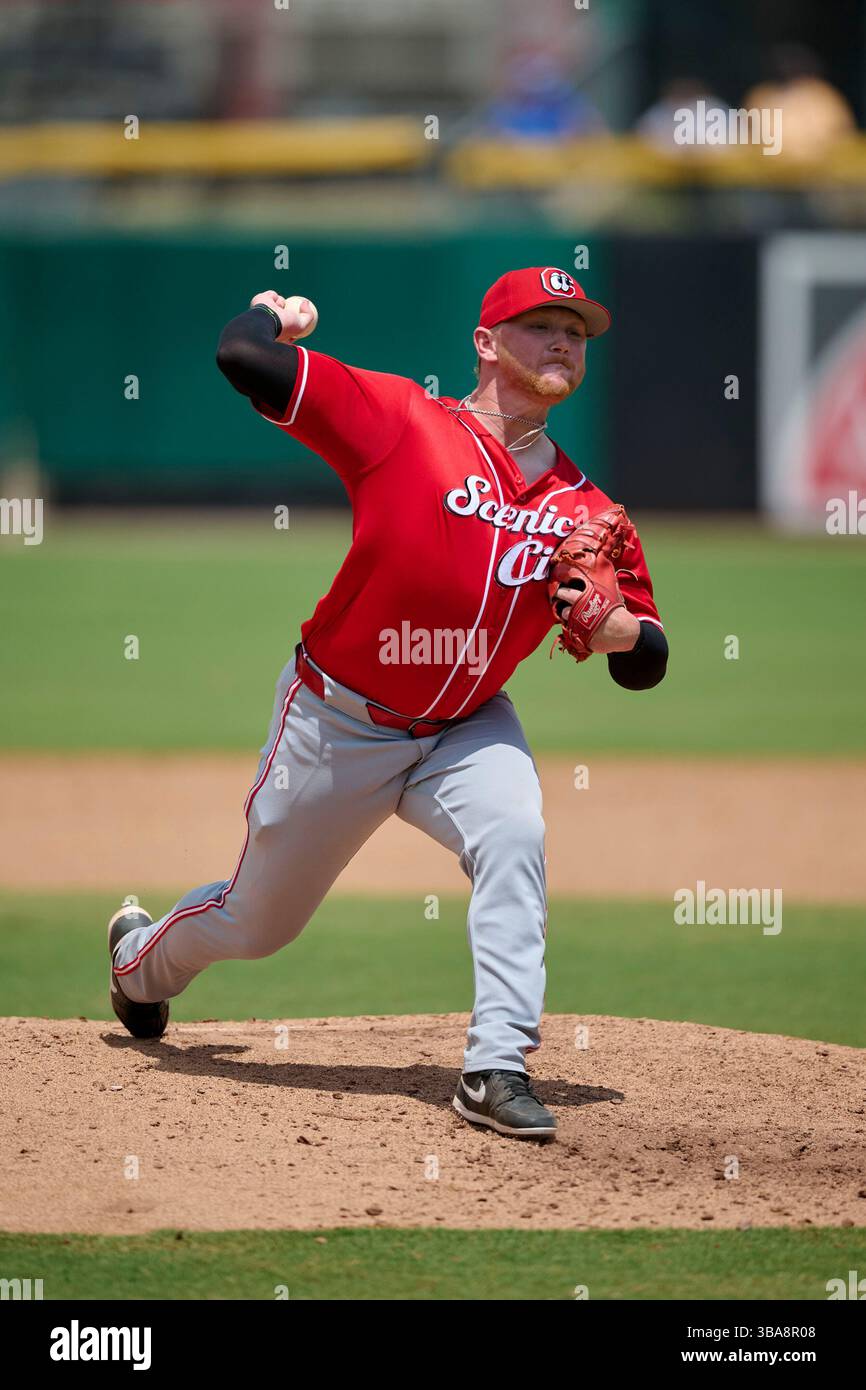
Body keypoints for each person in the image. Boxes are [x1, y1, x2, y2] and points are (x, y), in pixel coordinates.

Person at [107, 265, 668, 1142]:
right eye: (540, 324)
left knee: (514, 832)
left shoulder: (587, 509)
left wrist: (620, 634)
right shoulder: (403, 420)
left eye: (579, 331)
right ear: (485, 343)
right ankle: (139, 964)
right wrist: (271, 313)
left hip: (467, 726)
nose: (565, 340)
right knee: (256, 922)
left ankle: (494, 1067)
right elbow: (241, 356)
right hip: (339, 720)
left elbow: (648, 661)